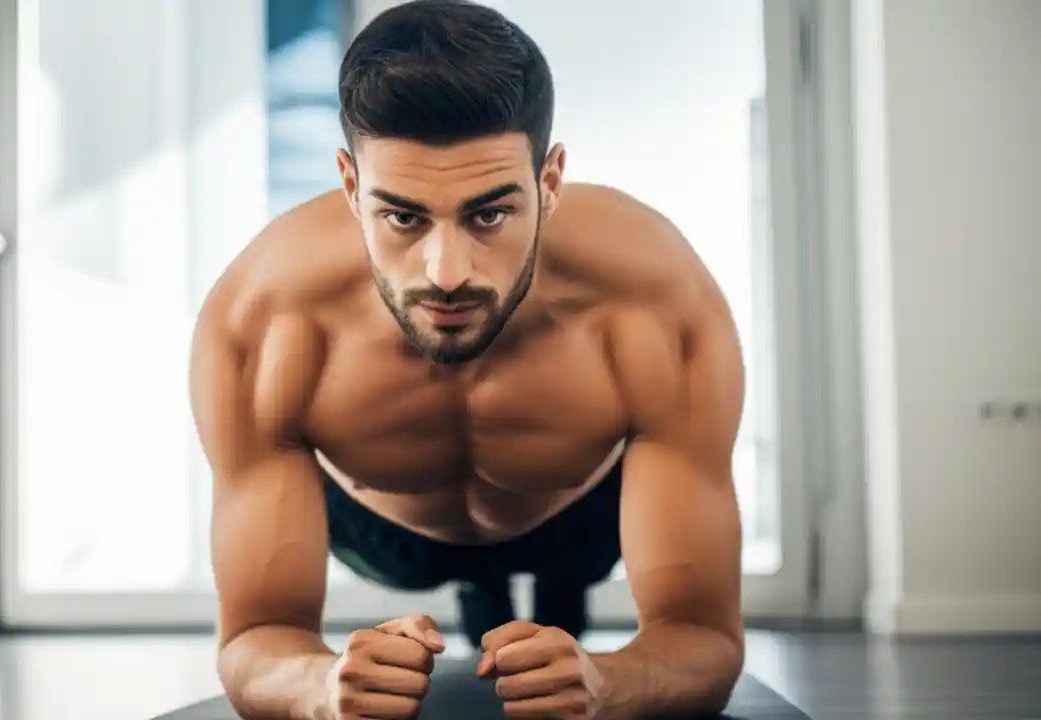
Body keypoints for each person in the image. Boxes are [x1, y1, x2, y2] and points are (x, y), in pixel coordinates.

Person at [190, 1, 744, 717]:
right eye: (402, 216)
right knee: (490, 613)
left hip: (577, 514)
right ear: (351, 188)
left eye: (488, 214)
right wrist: (318, 686)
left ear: (549, 184)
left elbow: (704, 639)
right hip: (389, 533)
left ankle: (547, 604)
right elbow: (254, 639)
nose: (446, 271)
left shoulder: (654, 300)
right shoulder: (264, 321)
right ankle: (487, 596)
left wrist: (613, 681)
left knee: (557, 623)